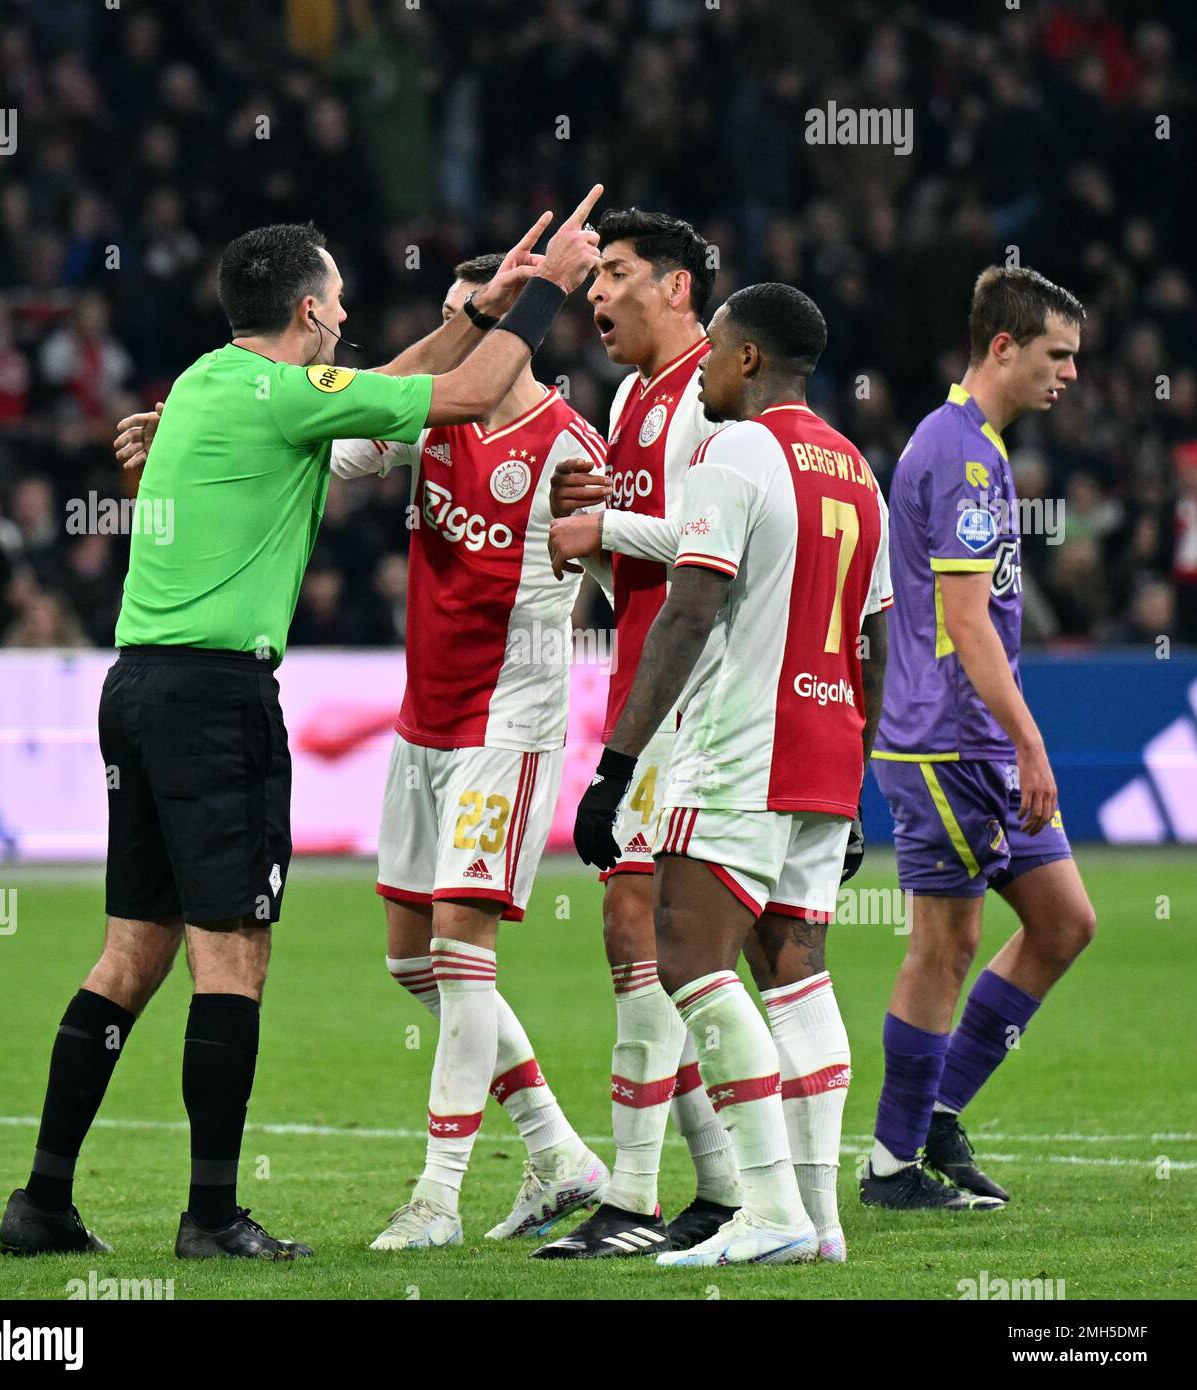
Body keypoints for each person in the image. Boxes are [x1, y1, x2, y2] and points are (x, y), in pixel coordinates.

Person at [0, 190, 603, 1260]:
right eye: (338, 303)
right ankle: (214, 1214)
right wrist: (546, 285)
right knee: (232, 958)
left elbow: (395, 384)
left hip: (134, 689)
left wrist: (481, 302)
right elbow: (455, 395)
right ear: (315, 313)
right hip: (214, 702)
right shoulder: (281, 394)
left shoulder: (203, 382)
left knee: (130, 955)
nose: (345, 317)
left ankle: (41, 1201)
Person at [571, 282, 890, 1267]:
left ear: (746, 357)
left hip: (743, 744)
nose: (701, 367)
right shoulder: (852, 468)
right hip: (827, 749)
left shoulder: (733, 450)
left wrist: (615, 763)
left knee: (687, 956)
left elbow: (687, 608)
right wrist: (854, 776)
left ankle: (764, 1210)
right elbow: (875, 642)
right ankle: (818, 1221)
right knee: (793, 974)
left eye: (712, 349)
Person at [326, 252, 610, 1251]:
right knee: (414, 962)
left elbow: (621, 578)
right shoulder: (432, 417)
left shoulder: (570, 445)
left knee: (460, 946)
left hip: (510, 720)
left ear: (517, 324)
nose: (460, 325)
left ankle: (436, 1196)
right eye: (458, 310)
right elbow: (338, 449)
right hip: (424, 721)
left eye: (476, 313)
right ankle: (558, 1151)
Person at [533, 209, 746, 1260]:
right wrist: (589, 541)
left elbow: (715, 549)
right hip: (640, 692)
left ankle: (631, 1196)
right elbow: (638, 571)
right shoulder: (625, 398)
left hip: (699, 699)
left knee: (642, 926)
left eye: (613, 273)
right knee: (655, 941)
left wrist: (601, 526)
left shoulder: (715, 397)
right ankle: (721, 1187)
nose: (595, 293)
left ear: (676, 286)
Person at [862, 265, 1095, 1211]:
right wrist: (1031, 744)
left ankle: (937, 1114)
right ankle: (889, 1168)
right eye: (1057, 354)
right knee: (943, 946)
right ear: (1003, 348)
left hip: (975, 745)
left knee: (1064, 922)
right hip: (944, 743)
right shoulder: (957, 456)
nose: (1071, 374)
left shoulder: (979, 448)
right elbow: (964, 623)